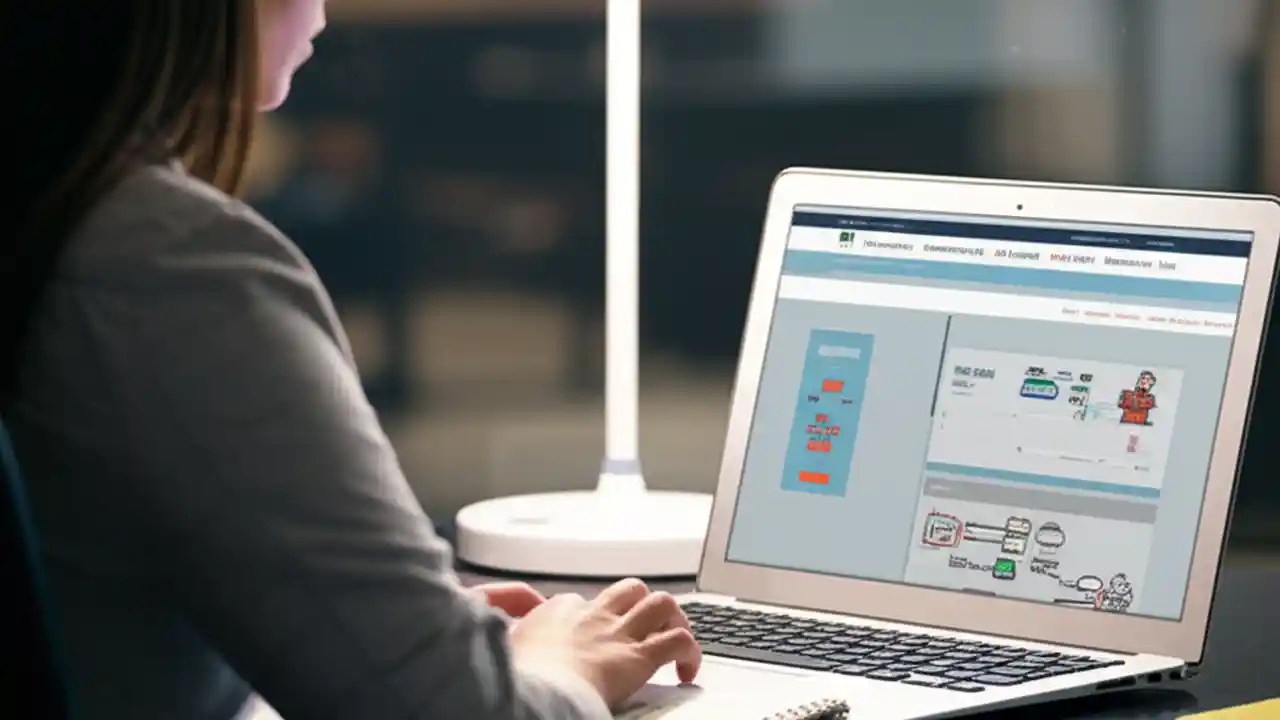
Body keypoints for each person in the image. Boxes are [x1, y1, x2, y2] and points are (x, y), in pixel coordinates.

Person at [2, 3, 700, 719]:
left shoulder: (58, 210)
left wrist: (377, 624)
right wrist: (562, 665)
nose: (325, 9)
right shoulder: (165, 266)